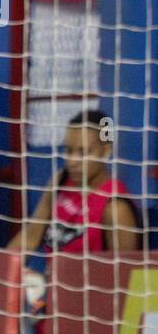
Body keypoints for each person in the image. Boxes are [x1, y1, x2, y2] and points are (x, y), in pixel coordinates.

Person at [8, 109, 142, 255]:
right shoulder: (61, 180)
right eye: (68, 150)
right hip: (52, 276)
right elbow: (31, 236)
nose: (72, 161)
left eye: (83, 153)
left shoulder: (115, 209)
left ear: (106, 151)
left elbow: (122, 274)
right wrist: (2, 270)